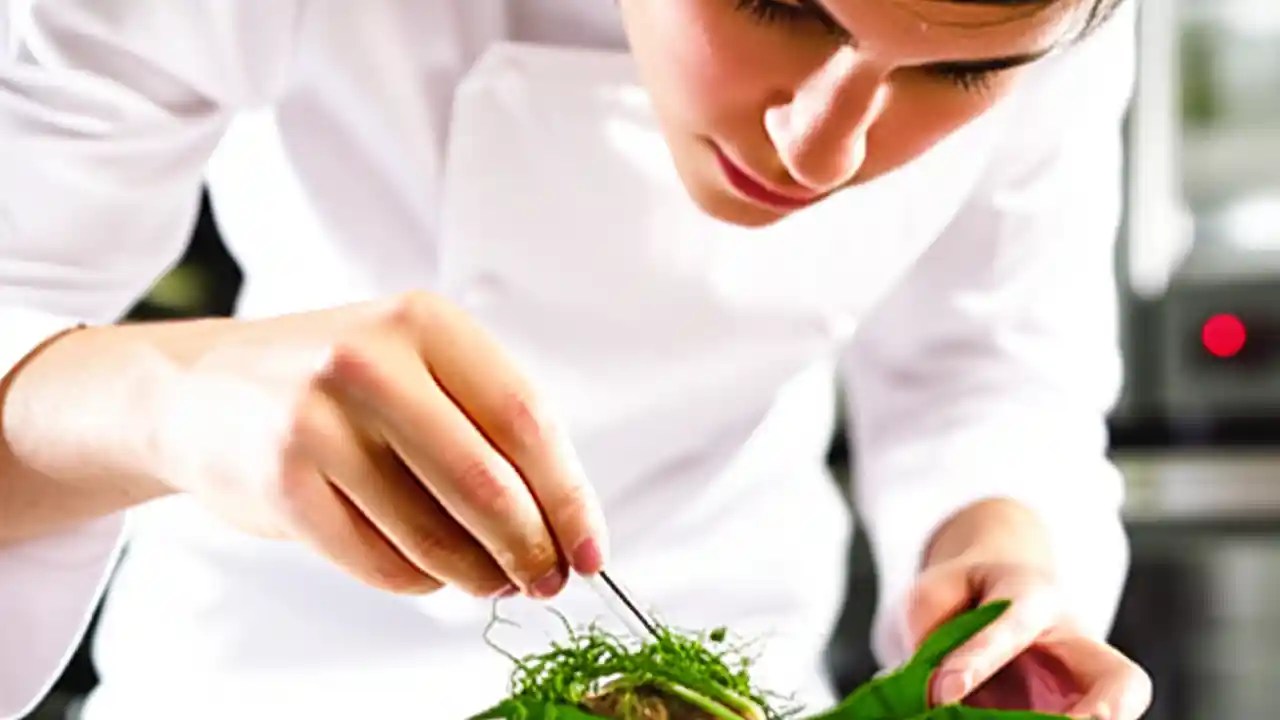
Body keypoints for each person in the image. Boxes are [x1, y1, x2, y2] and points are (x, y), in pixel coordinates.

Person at [0, 0, 1153, 718]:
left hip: (733, 664)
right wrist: (172, 403)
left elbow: (986, 367)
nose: (819, 148)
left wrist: (999, 551)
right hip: (270, 676)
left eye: (954, 73)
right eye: (778, 4)